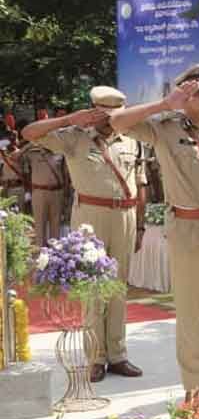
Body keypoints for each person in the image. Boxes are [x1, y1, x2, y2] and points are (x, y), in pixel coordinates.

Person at [109, 63, 199, 403]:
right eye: (197, 92)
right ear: (184, 96)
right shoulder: (164, 128)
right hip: (187, 227)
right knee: (189, 311)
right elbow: (117, 122)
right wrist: (164, 104)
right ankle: (194, 386)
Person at [21, 87, 147, 382]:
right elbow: (29, 133)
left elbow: (141, 186)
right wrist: (69, 120)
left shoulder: (132, 140)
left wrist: (140, 225)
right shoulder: (74, 137)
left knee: (118, 287)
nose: (108, 119)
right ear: (91, 110)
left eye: (114, 113)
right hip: (91, 215)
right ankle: (96, 357)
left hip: (125, 216)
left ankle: (118, 354)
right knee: (92, 287)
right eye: (102, 113)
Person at [21, 140, 66, 245]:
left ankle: (55, 254)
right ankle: (40, 252)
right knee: (40, 224)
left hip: (57, 192)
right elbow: (15, 156)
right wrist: (32, 141)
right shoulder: (32, 153)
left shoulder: (60, 153)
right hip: (39, 192)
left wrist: (66, 193)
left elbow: (65, 174)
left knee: (56, 224)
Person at [0, 131, 28, 209]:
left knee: (20, 215)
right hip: (6, 189)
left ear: (17, 140)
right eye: (9, 138)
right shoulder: (2, 154)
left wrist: (28, 192)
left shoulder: (21, 154)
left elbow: (26, 173)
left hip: (19, 188)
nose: (12, 140)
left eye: (14, 138)